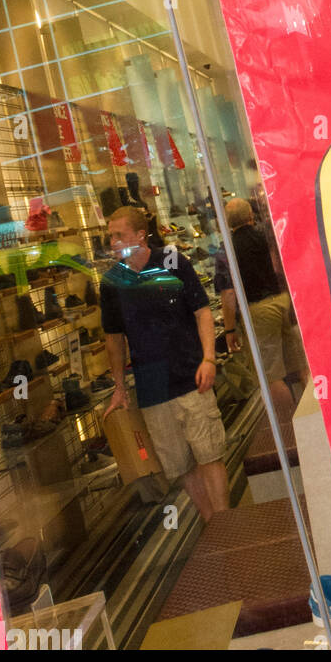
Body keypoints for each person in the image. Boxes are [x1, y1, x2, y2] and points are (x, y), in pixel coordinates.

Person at [101, 205, 229, 522]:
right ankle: (210, 521)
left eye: (119, 235)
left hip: (191, 376)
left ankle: (226, 522)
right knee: (180, 465)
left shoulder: (171, 259)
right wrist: (119, 388)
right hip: (151, 388)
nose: (113, 242)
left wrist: (209, 358)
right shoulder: (112, 283)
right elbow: (114, 340)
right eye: (110, 236)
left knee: (209, 454)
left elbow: (201, 311)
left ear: (140, 235)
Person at [216, 198, 306, 423]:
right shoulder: (266, 238)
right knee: (299, 366)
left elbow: (228, 293)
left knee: (271, 376)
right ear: (251, 216)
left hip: (258, 311)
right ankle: (314, 416)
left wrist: (229, 330)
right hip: (284, 301)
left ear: (227, 223)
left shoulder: (227, 248)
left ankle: (289, 425)